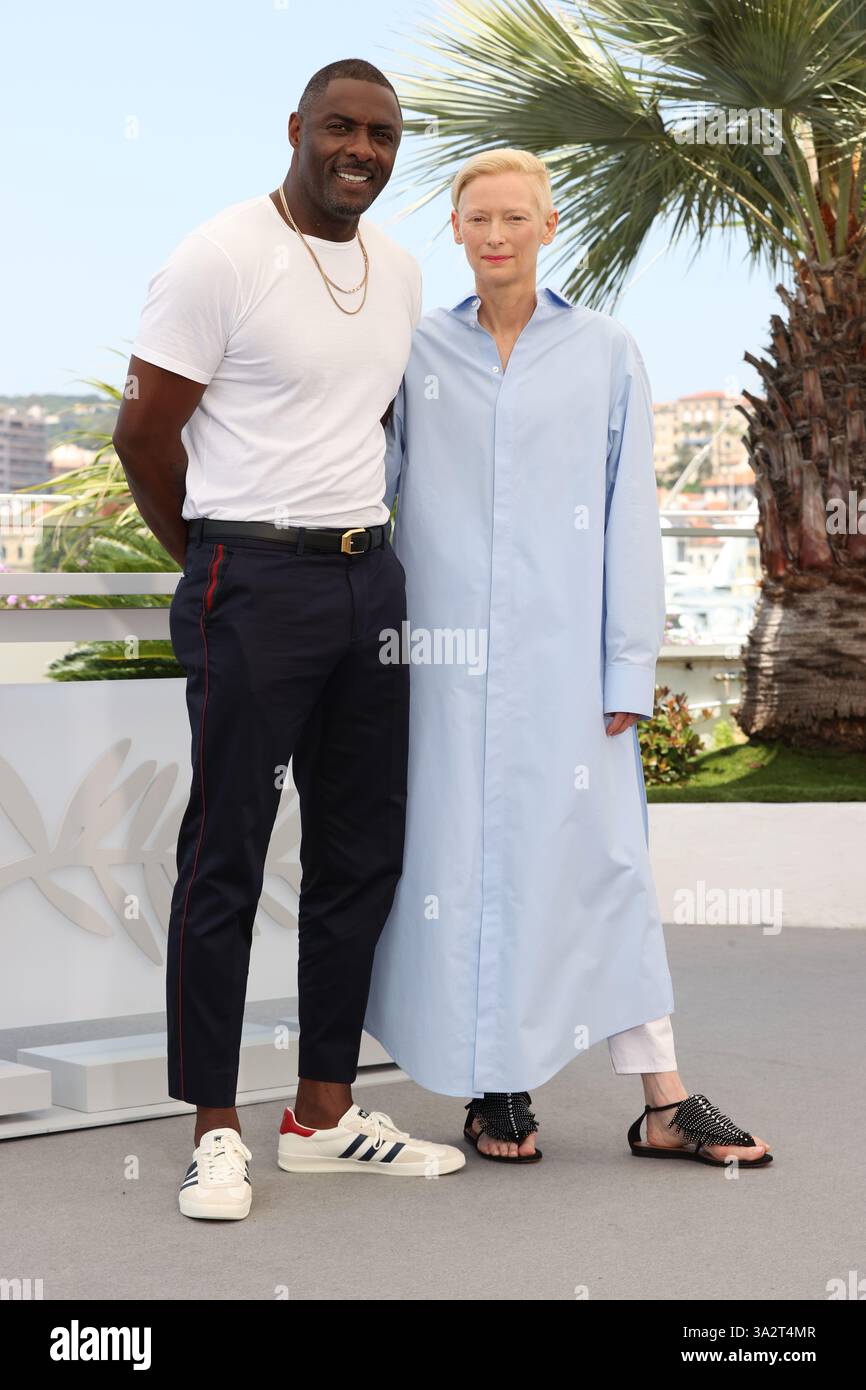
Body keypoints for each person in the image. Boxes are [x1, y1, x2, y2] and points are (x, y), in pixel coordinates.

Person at [363, 148, 773, 1169]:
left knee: (604, 868)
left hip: (566, 670)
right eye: (475, 218)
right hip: (440, 673)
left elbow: (631, 518)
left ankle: (663, 1098)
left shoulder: (603, 352)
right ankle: (493, 1084)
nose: (494, 235)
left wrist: (625, 669)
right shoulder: (413, 355)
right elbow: (377, 494)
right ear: (454, 231)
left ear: (547, 228)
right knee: (456, 869)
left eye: (513, 217)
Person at [113, 59, 466, 1221]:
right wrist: (212, 562)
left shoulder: (400, 268)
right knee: (225, 856)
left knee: (361, 851)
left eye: (381, 134)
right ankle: (214, 1129)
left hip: (369, 583)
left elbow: (358, 421)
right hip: (249, 579)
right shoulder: (220, 255)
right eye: (339, 128)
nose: (360, 149)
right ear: (295, 128)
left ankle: (320, 1111)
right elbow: (142, 434)